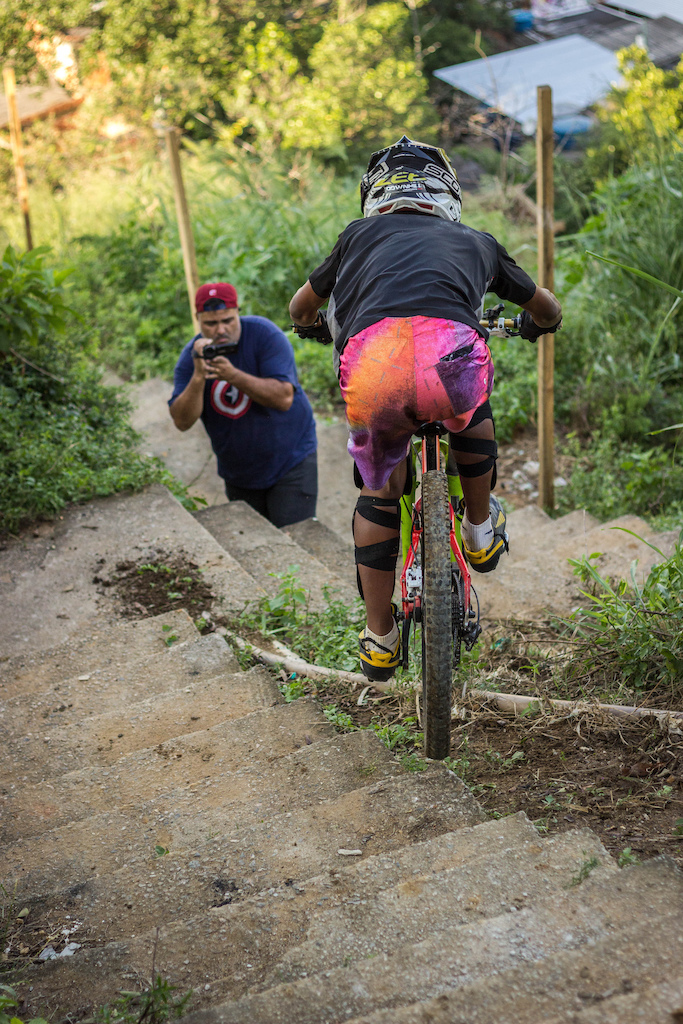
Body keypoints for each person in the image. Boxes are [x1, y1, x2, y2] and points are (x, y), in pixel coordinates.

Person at [289, 136, 561, 682]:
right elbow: (547, 308)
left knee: (379, 491)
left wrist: (311, 328)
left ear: (375, 199)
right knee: (470, 403)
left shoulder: (357, 236)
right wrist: (537, 325)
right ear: (449, 196)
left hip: (374, 367)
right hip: (449, 352)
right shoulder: (476, 241)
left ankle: (381, 639)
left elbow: (301, 305)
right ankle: (481, 532)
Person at [170, 282, 318, 528]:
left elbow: (283, 398)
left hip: (291, 461)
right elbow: (182, 422)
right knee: (256, 545)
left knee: (295, 539)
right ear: (198, 320)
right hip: (239, 473)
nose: (220, 330)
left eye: (227, 320)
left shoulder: (264, 335)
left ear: (238, 311)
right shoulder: (192, 355)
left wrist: (232, 375)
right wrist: (198, 376)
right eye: (210, 324)